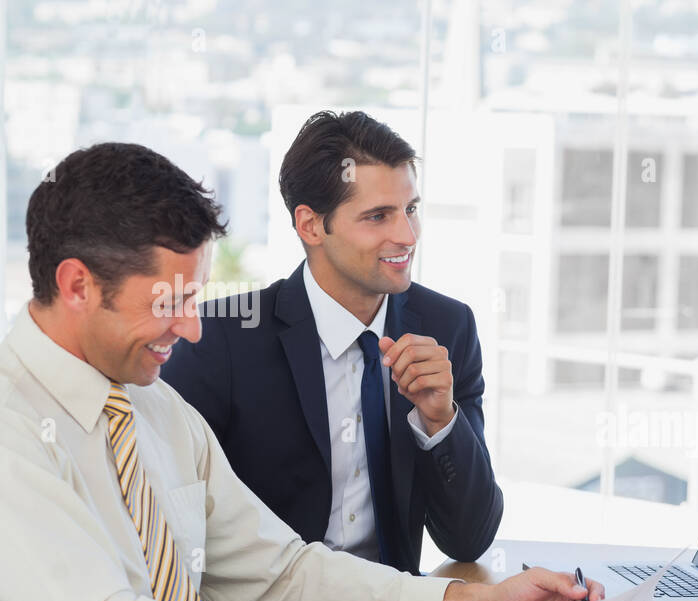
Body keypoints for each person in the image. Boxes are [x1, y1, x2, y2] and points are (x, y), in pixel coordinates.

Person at [0, 142, 601, 601]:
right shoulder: (14, 426)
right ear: (76, 284)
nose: (192, 328)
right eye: (174, 302)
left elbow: (281, 575)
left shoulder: (155, 411)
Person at [163, 110, 502, 571]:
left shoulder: (447, 327)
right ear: (311, 226)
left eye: (411, 210)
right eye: (378, 216)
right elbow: (173, 530)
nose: (407, 235)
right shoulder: (221, 338)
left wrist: (440, 421)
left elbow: (470, 539)